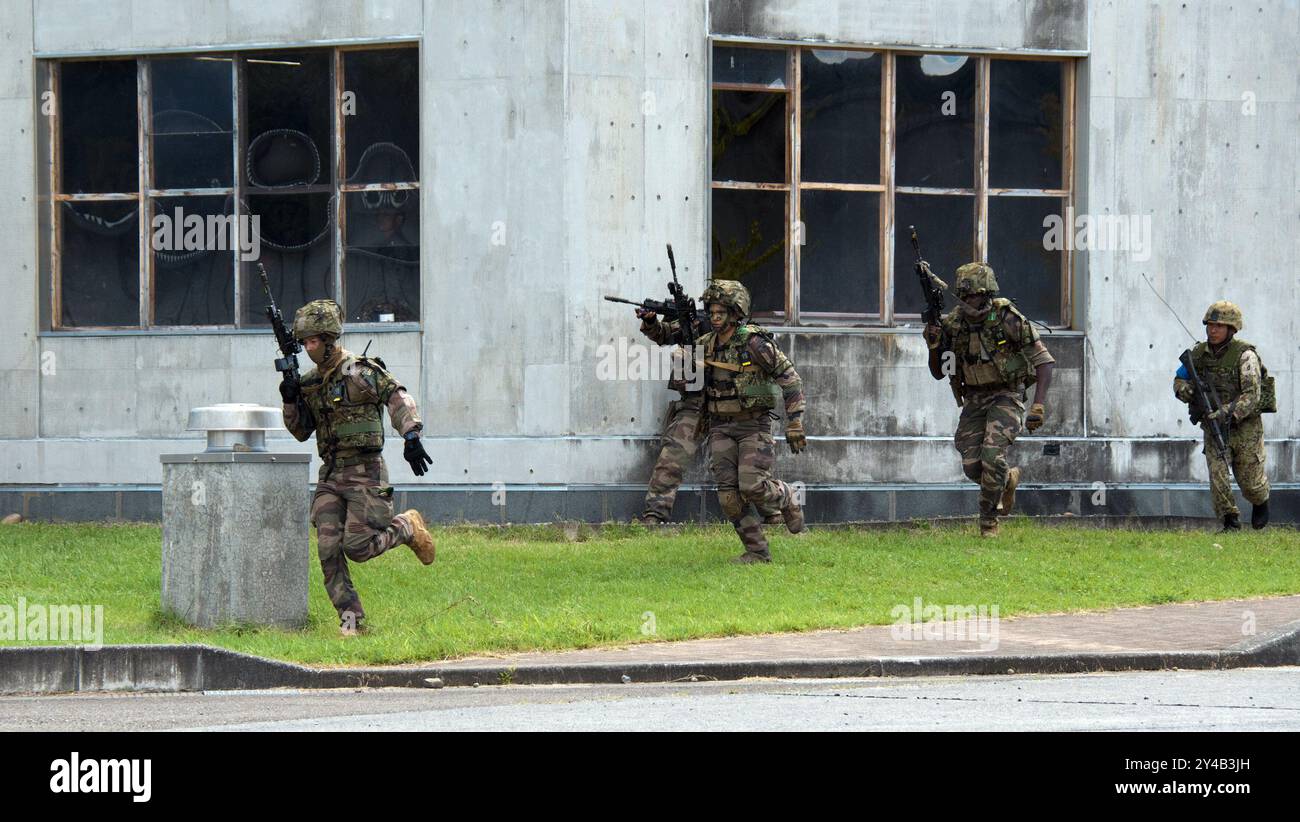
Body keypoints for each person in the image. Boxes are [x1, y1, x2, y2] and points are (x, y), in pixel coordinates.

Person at [279, 298, 436, 635]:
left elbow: (396, 396)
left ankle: (406, 527)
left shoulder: (356, 370)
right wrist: (290, 398)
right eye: (304, 342)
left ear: (330, 339)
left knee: (358, 546)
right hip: (331, 474)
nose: (308, 349)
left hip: (365, 472)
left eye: (313, 342)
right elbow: (300, 432)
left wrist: (411, 434)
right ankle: (353, 622)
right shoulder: (309, 382)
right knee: (327, 549)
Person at [640, 279, 805, 564]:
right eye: (712, 313)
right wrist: (671, 344)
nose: (715, 319)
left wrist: (795, 422)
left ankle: (787, 497)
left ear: (734, 313)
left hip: (752, 424)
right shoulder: (703, 343)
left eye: (720, 314)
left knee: (752, 485)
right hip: (720, 424)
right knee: (728, 497)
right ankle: (757, 551)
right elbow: (674, 352)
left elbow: (789, 377)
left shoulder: (754, 343)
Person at [924, 262, 1055, 538]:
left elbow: (1043, 361)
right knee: (973, 466)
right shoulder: (953, 324)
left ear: (988, 294)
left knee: (992, 456)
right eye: (968, 296)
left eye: (979, 296)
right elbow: (938, 372)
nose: (974, 302)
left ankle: (988, 523)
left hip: (1006, 394)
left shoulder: (1007, 318)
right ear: (960, 296)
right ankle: (1008, 479)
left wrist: (1038, 405)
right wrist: (934, 345)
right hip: (974, 399)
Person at [633, 307, 783, 527]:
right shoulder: (693, 323)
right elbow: (663, 333)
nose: (715, 316)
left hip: (729, 407)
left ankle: (774, 512)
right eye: (712, 309)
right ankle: (654, 515)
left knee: (749, 469)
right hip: (694, 403)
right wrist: (651, 321)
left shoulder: (743, 333)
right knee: (672, 457)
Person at [1173, 301, 1273, 531]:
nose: (1213, 330)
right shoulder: (1198, 354)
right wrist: (1183, 389)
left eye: (1219, 326)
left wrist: (1226, 413)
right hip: (1212, 424)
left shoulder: (1245, 355)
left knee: (1250, 481)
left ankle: (1261, 500)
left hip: (1245, 425)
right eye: (1210, 325)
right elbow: (1179, 379)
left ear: (1231, 329)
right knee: (1217, 473)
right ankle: (1230, 521)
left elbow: (1252, 394)